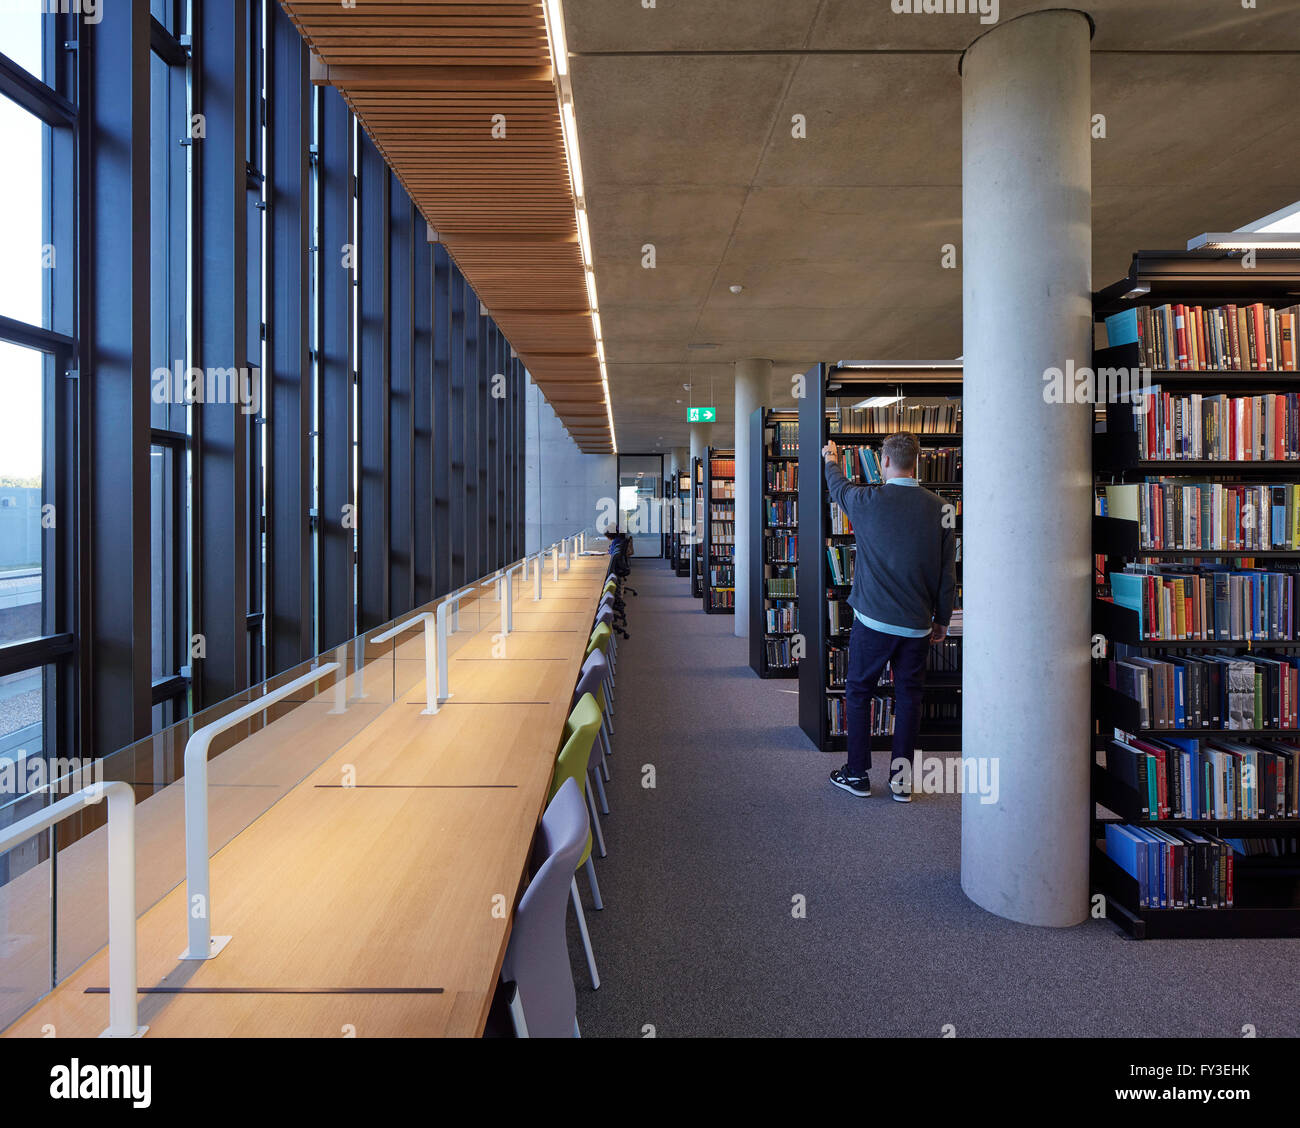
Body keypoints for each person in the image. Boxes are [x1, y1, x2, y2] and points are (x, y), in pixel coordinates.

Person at [822, 432, 957, 802]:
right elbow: (948, 574)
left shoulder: (867, 500)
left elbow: (837, 487)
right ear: (918, 461)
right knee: (909, 696)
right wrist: (942, 620)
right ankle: (901, 781)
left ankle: (857, 774)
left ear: (883, 461)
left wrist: (830, 459)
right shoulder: (941, 508)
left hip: (873, 622)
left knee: (859, 691)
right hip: (916, 624)